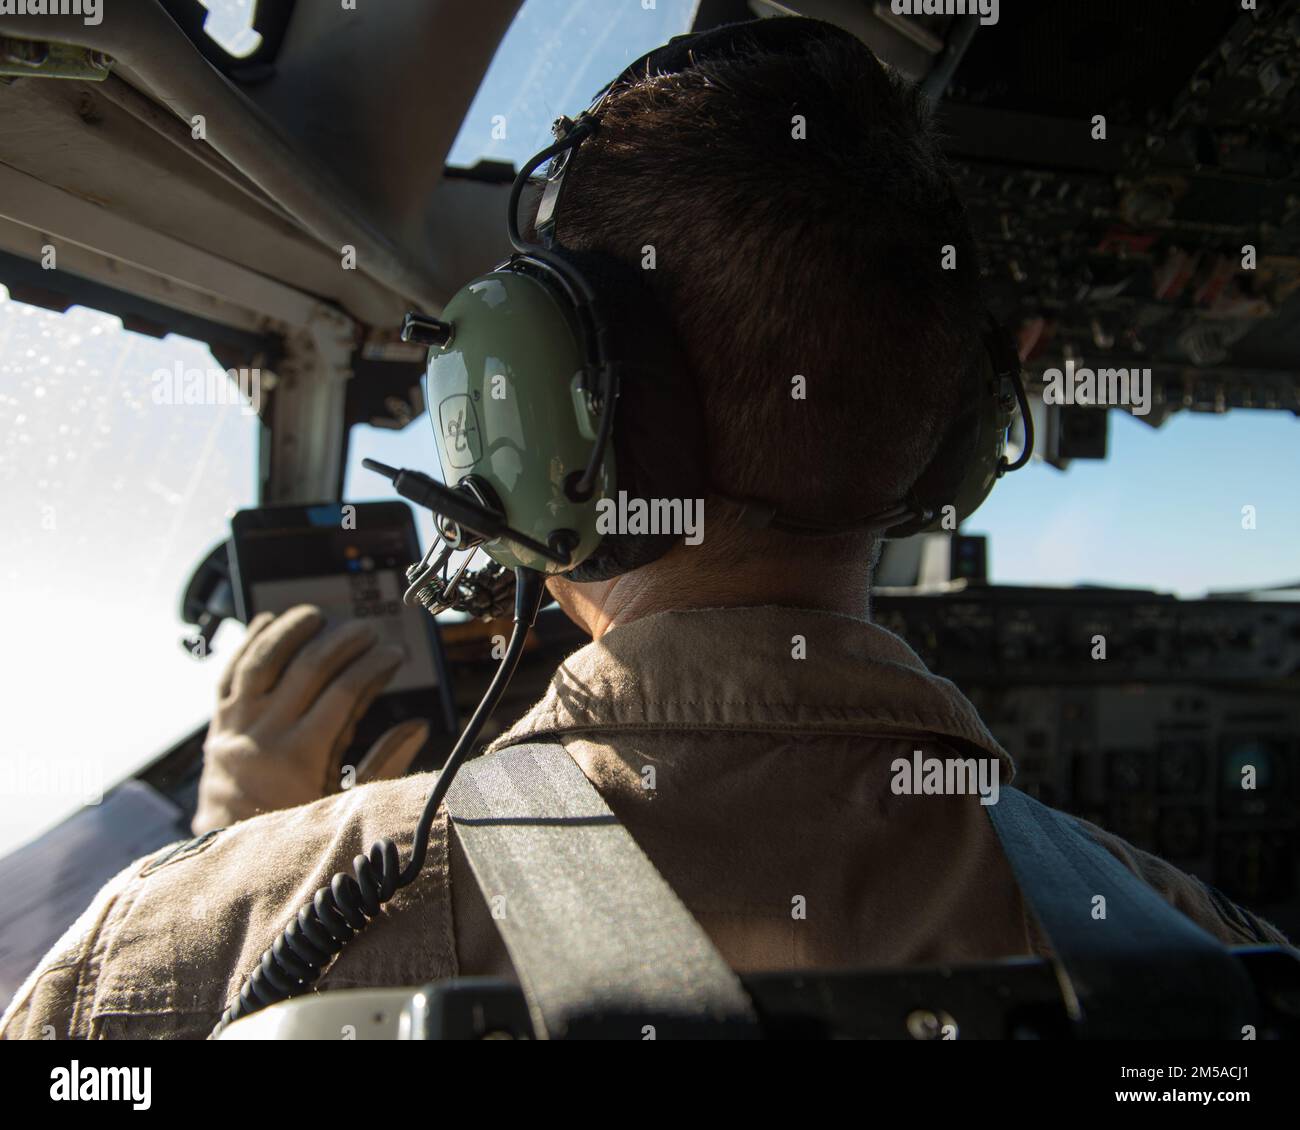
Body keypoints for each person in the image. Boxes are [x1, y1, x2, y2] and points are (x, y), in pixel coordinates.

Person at [0, 19, 1287, 1040]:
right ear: (953, 446)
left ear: (544, 430)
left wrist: (237, 833)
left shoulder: (177, 961)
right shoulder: (1220, 966)